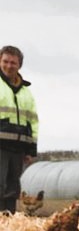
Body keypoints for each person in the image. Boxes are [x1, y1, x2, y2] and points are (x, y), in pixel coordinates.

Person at [0, 45, 39, 213]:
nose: (9, 66)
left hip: (18, 148)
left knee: (13, 187)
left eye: (13, 63)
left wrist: (30, 149)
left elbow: (33, 122)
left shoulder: (26, 92)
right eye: (5, 61)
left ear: (19, 65)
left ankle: (8, 221)